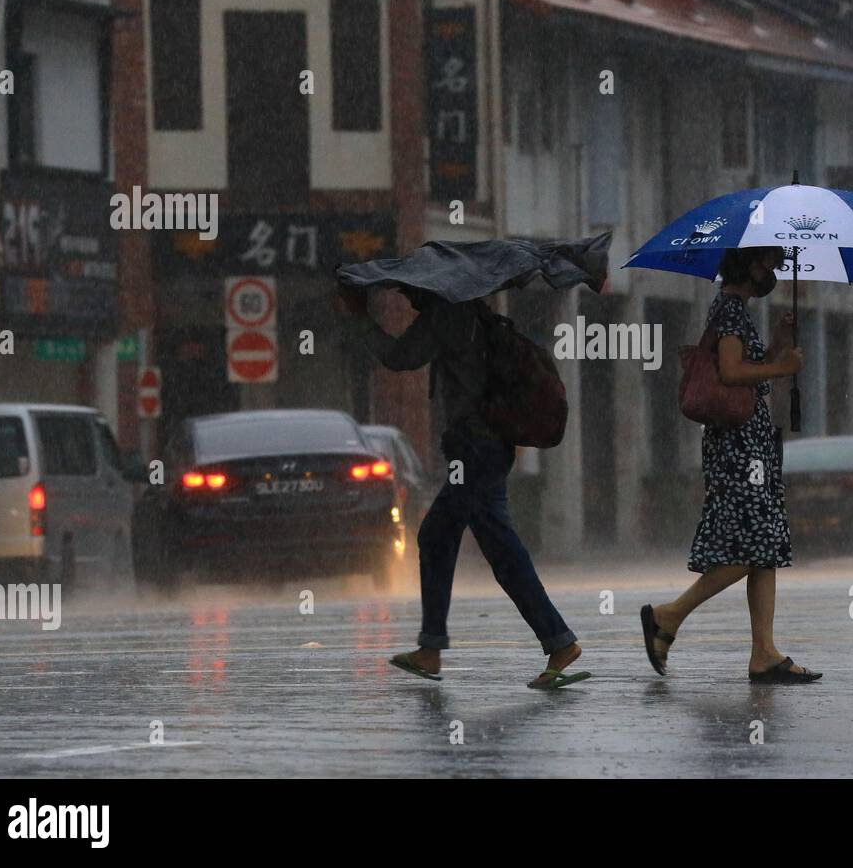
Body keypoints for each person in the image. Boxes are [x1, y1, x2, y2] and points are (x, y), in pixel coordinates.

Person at [332, 282, 588, 690]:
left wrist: (361, 317)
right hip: (487, 447)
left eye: (412, 288)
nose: (409, 296)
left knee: (497, 547)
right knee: (442, 537)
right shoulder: (479, 315)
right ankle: (432, 650)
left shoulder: (446, 314)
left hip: (473, 449)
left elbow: (400, 357)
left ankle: (557, 641)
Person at [640, 246, 823, 684]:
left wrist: (779, 341)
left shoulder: (738, 312)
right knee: (748, 548)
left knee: (764, 548)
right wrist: (782, 367)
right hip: (738, 446)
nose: (773, 271)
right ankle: (668, 615)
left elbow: (746, 367)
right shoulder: (729, 311)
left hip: (752, 442)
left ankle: (764, 653)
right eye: (768, 263)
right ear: (747, 265)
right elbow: (731, 371)